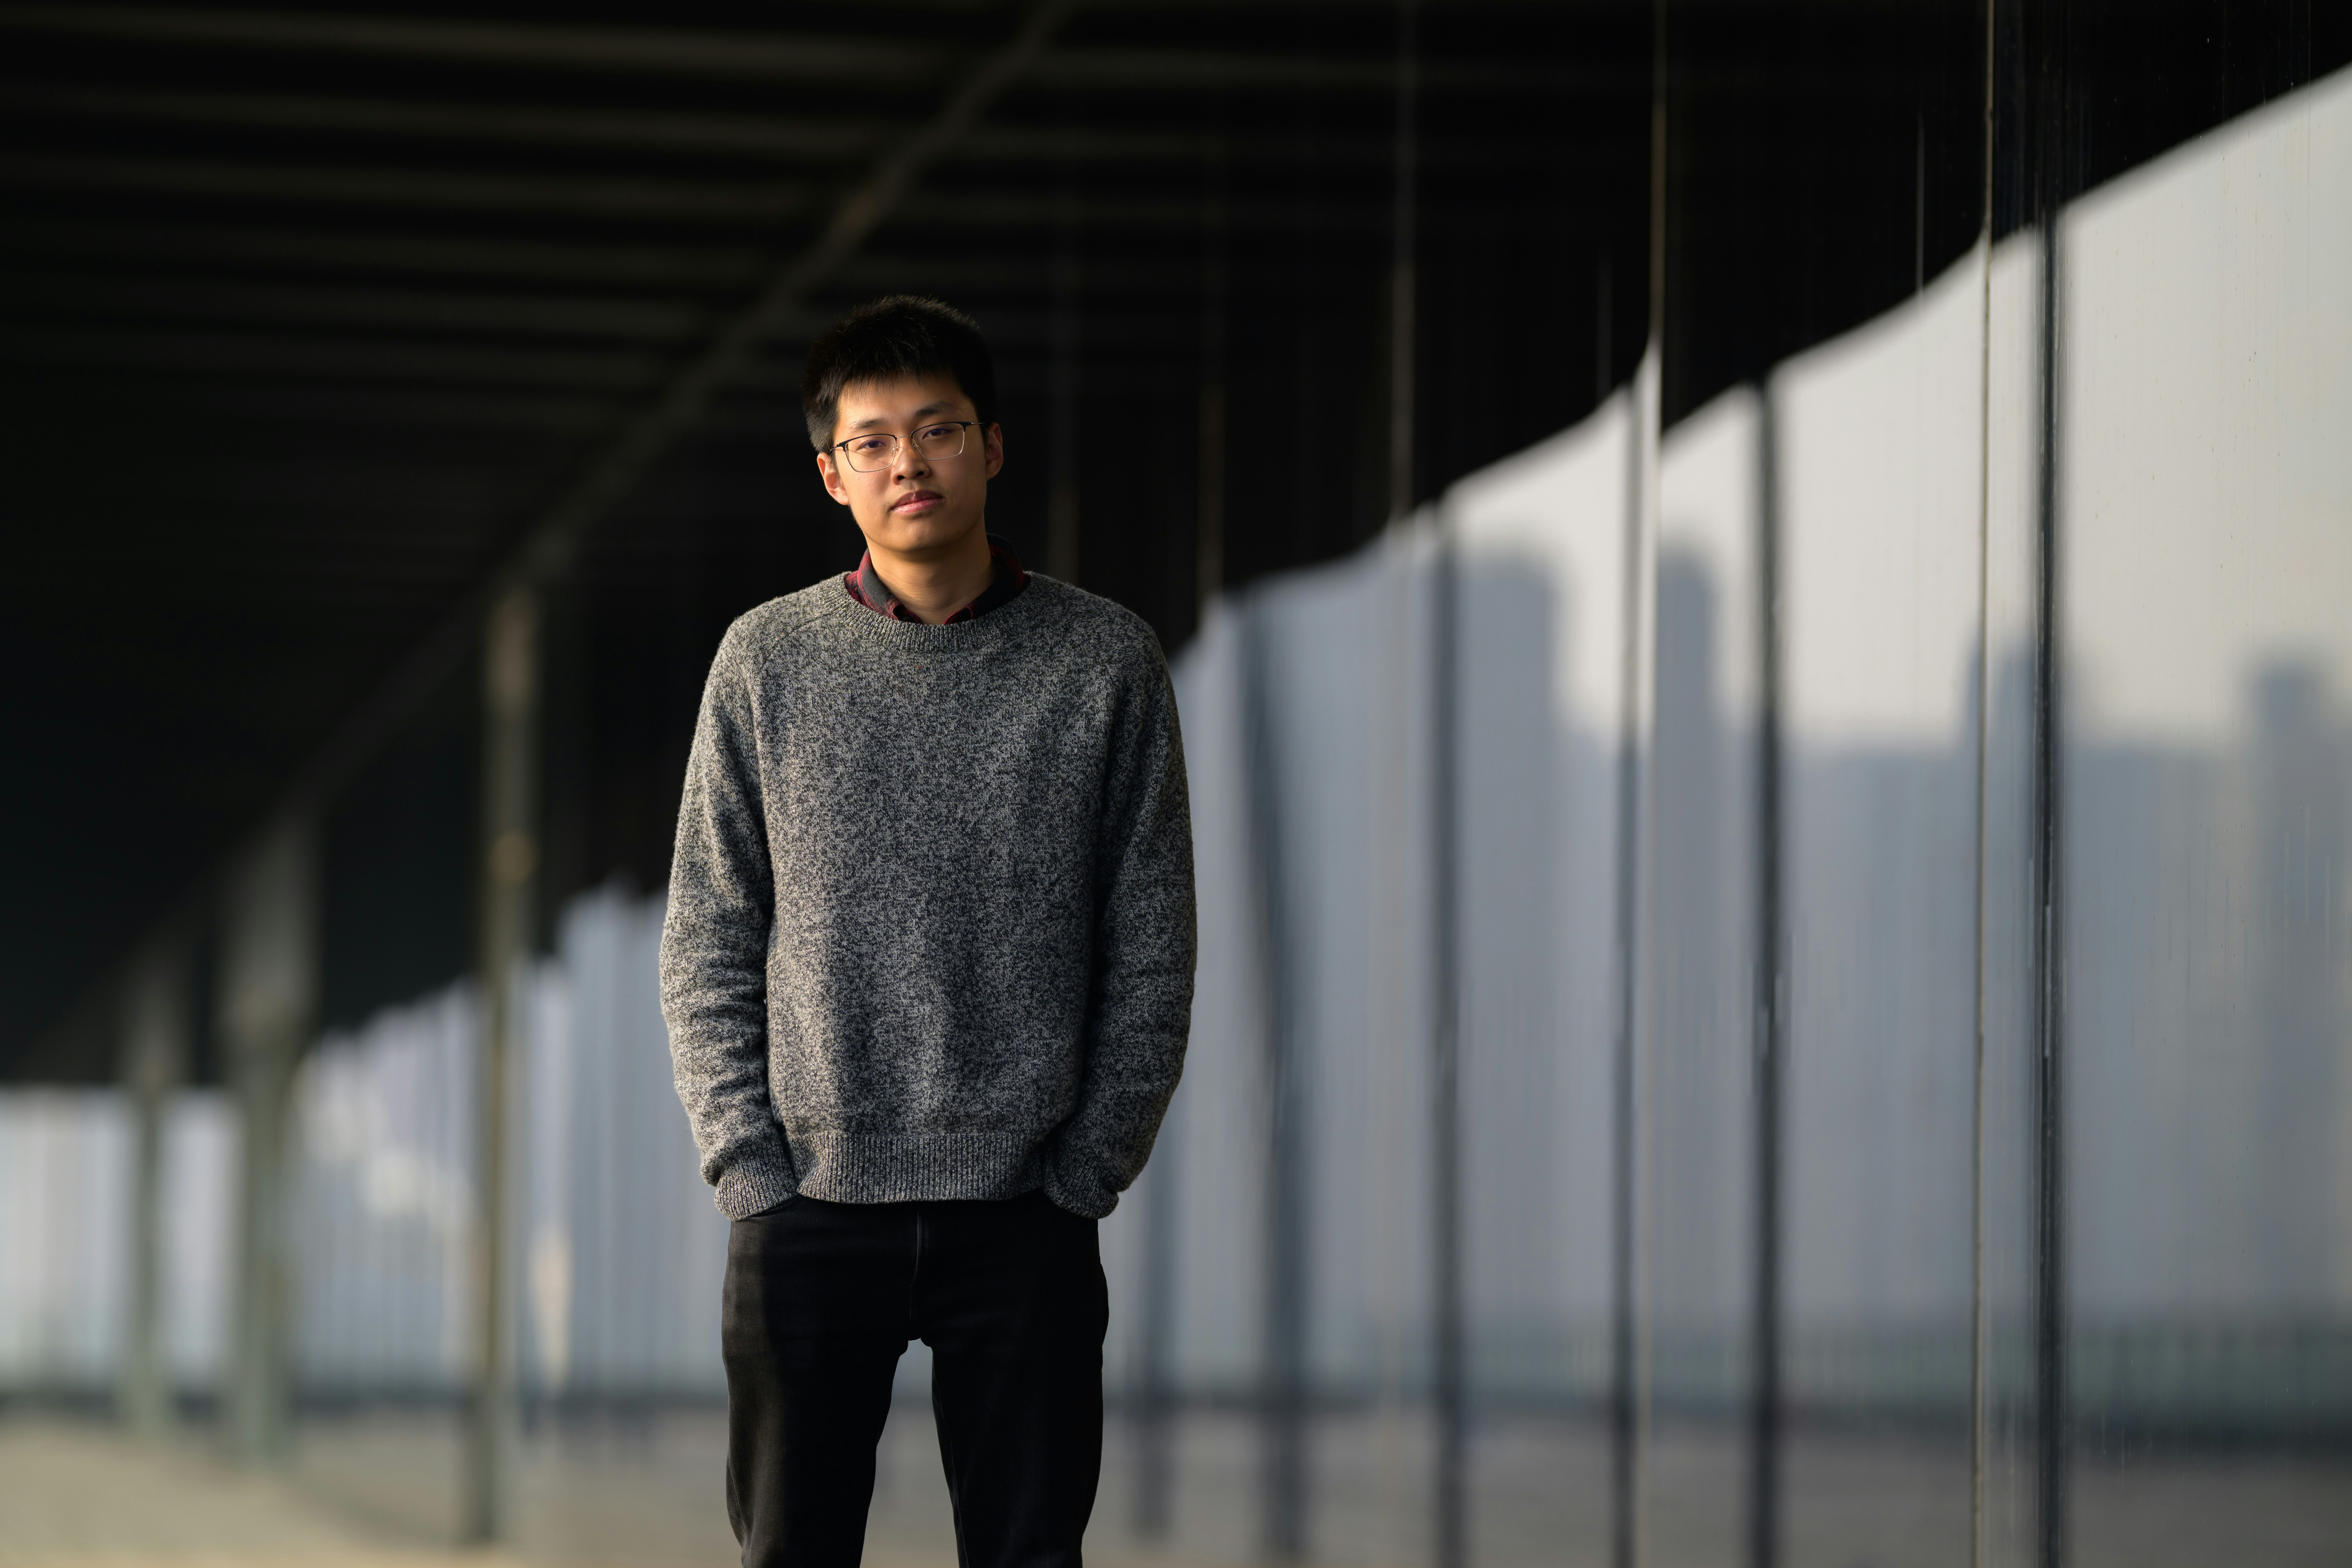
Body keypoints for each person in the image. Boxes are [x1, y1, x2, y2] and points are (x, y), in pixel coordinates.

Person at [659, 294, 1197, 1568]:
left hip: (1027, 1214)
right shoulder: (764, 662)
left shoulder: (1106, 663)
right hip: (808, 1208)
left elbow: (1154, 945)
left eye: (940, 429)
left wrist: (1086, 1174)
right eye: (876, 439)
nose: (911, 462)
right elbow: (708, 938)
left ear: (993, 447)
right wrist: (751, 1166)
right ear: (833, 470)